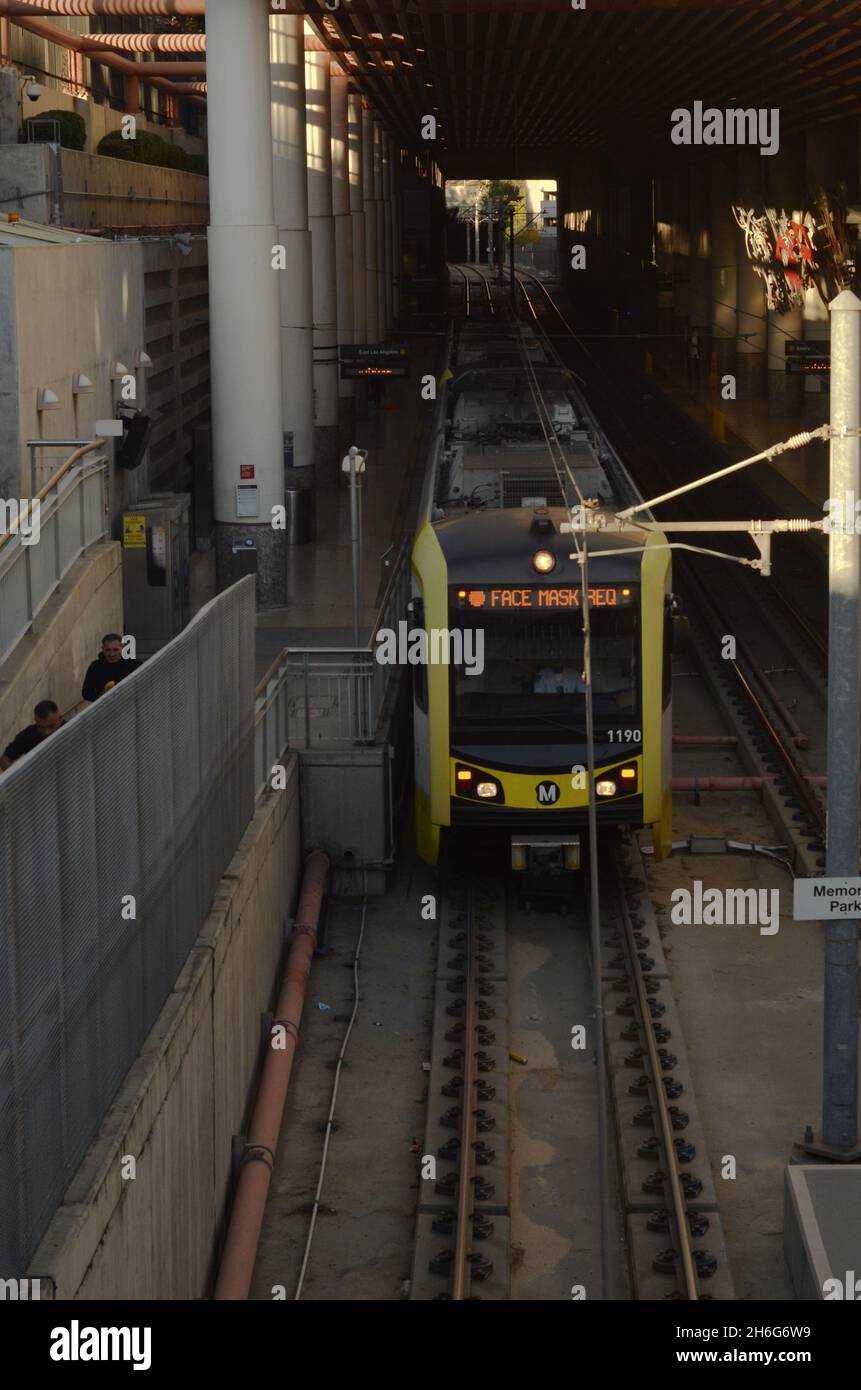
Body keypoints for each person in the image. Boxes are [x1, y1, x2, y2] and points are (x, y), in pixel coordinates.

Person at [0, 700, 64, 771]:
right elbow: (5, 759)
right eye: (41, 727)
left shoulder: (70, 730)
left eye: (51, 726)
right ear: (36, 721)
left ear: (60, 719)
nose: (46, 732)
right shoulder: (29, 735)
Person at [81, 633, 138, 703]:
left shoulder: (133, 665)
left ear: (122, 647)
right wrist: (100, 695)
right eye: (108, 650)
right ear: (102, 649)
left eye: (116, 649)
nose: (112, 654)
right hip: (104, 708)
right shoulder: (95, 667)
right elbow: (86, 693)